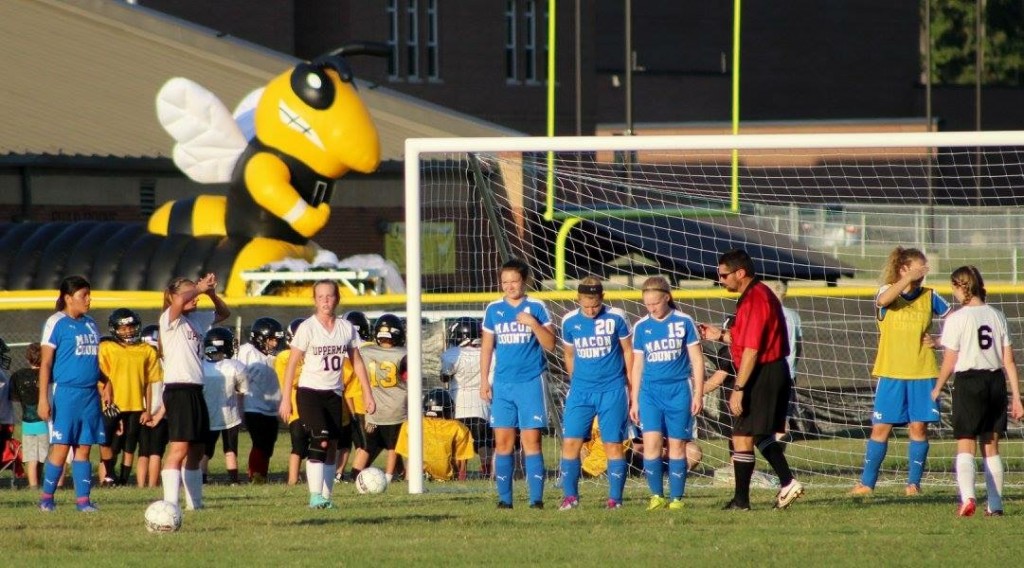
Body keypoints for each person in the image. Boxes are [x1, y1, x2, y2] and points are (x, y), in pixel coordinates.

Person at [699, 249, 804, 510]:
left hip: (764, 372)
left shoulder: (756, 299)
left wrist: (739, 388)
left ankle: (785, 482)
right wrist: (720, 335)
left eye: (723, 275)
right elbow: (746, 339)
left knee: (747, 433)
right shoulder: (750, 297)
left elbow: (753, 350)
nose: (720, 279)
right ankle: (744, 499)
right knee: (747, 435)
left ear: (740, 273)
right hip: (764, 369)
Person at [850, 247, 950, 497]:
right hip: (892, 373)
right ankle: (866, 483)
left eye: (925, 267)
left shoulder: (931, 296)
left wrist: (939, 341)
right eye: (919, 267)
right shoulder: (887, 291)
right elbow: (882, 302)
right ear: (904, 269)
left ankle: (913, 484)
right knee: (881, 428)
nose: (924, 271)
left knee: (918, 429)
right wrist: (907, 279)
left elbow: (956, 322)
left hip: (922, 372)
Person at [931, 266, 1023, 516]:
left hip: (968, 382)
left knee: (965, 443)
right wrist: (1016, 397)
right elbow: (1010, 361)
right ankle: (995, 504)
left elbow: (950, 360)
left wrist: (937, 387)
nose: (954, 293)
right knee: (991, 446)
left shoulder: (957, 319)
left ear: (962, 287)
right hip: (995, 383)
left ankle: (968, 497)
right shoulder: (997, 316)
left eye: (954, 287)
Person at [278, 280, 376, 509]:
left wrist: (368, 393)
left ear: (337, 299)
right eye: (320, 296)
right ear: (314, 300)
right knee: (320, 439)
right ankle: (314, 496)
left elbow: (357, 362)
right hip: (310, 392)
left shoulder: (346, 328)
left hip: (334, 392)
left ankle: (326, 496)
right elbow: (292, 364)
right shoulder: (308, 328)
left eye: (329, 296)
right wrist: (285, 399)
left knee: (332, 444)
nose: (325, 301)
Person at [479, 258, 556, 509]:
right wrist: (484, 381)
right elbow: (487, 347)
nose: (510, 286)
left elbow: (550, 344)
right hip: (502, 384)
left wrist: (533, 323)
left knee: (531, 441)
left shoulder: (536, 306)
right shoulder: (493, 309)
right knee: (503, 442)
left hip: (531, 382)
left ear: (525, 281)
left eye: (514, 281)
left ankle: (536, 500)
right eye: (505, 282)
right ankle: (505, 500)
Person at [557, 277, 634, 511]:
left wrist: (631, 386)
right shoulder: (569, 321)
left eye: (595, 305)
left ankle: (615, 500)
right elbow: (569, 354)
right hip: (581, 391)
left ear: (602, 299)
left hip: (612, 389)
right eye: (585, 305)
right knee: (570, 442)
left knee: (612, 444)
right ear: (578, 300)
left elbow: (628, 352)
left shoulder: (617, 317)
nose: (590, 310)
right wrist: (575, 380)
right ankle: (570, 497)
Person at [37, 275, 110, 512]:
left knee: (85, 447)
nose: (88, 300)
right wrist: (43, 399)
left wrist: (105, 381)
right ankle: (47, 499)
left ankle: (83, 502)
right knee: (61, 447)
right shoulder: (56, 322)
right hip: (66, 394)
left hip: (89, 395)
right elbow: (46, 364)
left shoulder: (90, 323)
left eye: (89, 294)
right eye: (83, 295)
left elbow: (89, 361)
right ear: (68, 298)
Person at [631, 276, 704, 511]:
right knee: (651, 444)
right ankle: (656, 495)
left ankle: (676, 498)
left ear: (667, 297)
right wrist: (634, 399)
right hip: (650, 393)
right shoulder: (641, 327)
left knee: (677, 446)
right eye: (647, 304)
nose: (651, 308)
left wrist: (699, 393)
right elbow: (637, 365)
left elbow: (696, 359)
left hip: (678, 391)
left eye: (655, 302)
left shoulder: (684, 322)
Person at [158, 274, 230, 511]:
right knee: (178, 449)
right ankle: (169, 505)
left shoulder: (196, 319)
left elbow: (223, 313)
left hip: (195, 389)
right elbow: (179, 302)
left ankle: (195, 504)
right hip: (178, 388)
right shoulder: (170, 318)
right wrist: (197, 288)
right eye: (191, 294)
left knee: (197, 449)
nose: (195, 299)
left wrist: (209, 293)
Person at [97, 308, 161, 486]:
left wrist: (147, 409)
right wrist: (104, 397)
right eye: (123, 328)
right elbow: (100, 378)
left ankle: (123, 480)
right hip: (113, 404)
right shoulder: (107, 347)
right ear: (115, 329)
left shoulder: (146, 350)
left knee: (130, 445)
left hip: (135, 404)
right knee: (109, 442)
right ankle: (108, 475)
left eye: (131, 326)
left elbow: (149, 382)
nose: (128, 331)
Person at [351, 314, 408, 483]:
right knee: (393, 446)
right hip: (396, 408)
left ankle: (355, 474)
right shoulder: (404, 353)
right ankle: (390, 476)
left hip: (373, 407)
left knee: (367, 446)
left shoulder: (366, 351)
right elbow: (408, 378)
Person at [441, 316, 493, 478]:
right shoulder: (491, 353)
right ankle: (487, 467)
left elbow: (445, 376)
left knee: (460, 443)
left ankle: (461, 472)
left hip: (459, 406)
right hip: (484, 406)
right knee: (484, 442)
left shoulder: (452, 354)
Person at [199, 327, 248, 485]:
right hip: (230, 416)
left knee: (206, 451)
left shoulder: (200, 366)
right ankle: (234, 480)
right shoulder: (235, 366)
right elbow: (243, 389)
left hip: (208, 416)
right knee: (230, 450)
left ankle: (202, 480)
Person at [238, 317, 283, 484]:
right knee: (260, 442)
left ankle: (262, 475)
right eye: (271, 339)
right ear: (260, 338)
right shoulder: (247, 352)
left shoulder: (273, 357)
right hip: (253, 405)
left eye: (276, 340)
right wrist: (239, 405)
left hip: (271, 406)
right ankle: (255, 475)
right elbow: (238, 376)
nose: (274, 344)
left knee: (269, 444)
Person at [396, 388, 476, 481]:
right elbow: (462, 460)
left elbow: (404, 453)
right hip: (446, 477)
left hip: (419, 473)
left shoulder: (411, 424)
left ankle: (409, 479)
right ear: (448, 408)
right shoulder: (458, 427)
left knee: (412, 454)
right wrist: (461, 479)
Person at [336, 310, 372, 483]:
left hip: (351, 403)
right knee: (364, 445)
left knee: (347, 443)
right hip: (365, 403)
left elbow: (343, 383)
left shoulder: (345, 354)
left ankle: (339, 474)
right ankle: (354, 476)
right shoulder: (372, 349)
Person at [275, 318, 308, 486]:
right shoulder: (284, 357)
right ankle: (292, 480)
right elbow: (294, 378)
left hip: (312, 404)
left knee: (317, 443)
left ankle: (312, 478)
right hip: (294, 407)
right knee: (299, 444)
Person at [136, 325, 167, 488]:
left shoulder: (139, 360)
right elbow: (168, 392)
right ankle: (152, 485)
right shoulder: (165, 363)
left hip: (141, 412)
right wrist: (160, 414)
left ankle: (141, 486)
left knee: (143, 452)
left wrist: (142, 411)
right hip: (159, 413)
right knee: (155, 453)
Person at [11, 342, 46, 488]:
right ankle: (47, 482)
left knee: (31, 457)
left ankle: (33, 486)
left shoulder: (18, 375)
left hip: (27, 422)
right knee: (44, 456)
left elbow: (13, 397)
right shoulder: (47, 374)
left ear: (27, 358)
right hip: (45, 421)